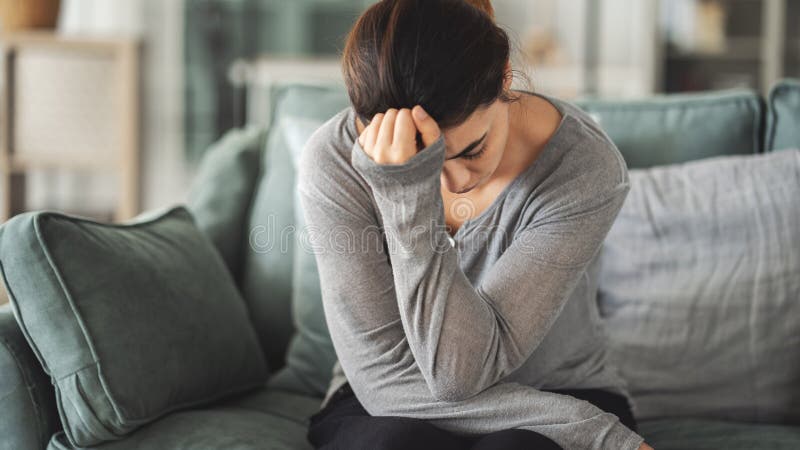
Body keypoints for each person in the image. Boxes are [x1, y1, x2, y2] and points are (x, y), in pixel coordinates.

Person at [297, 0, 655, 449]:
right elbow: (385, 380)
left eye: (471, 150)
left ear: (505, 76)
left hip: (553, 390)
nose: (456, 183)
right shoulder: (335, 160)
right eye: (430, 159)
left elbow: (460, 373)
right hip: (390, 397)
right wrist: (406, 192)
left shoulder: (584, 168)